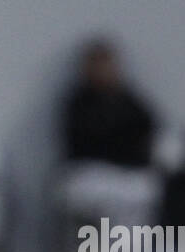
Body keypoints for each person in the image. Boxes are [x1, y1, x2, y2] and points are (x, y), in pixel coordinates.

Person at [62, 39, 157, 168]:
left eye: (105, 65)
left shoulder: (130, 101)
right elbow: (81, 141)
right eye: (97, 66)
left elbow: (147, 128)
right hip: (90, 171)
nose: (102, 71)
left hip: (130, 171)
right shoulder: (77, 104)